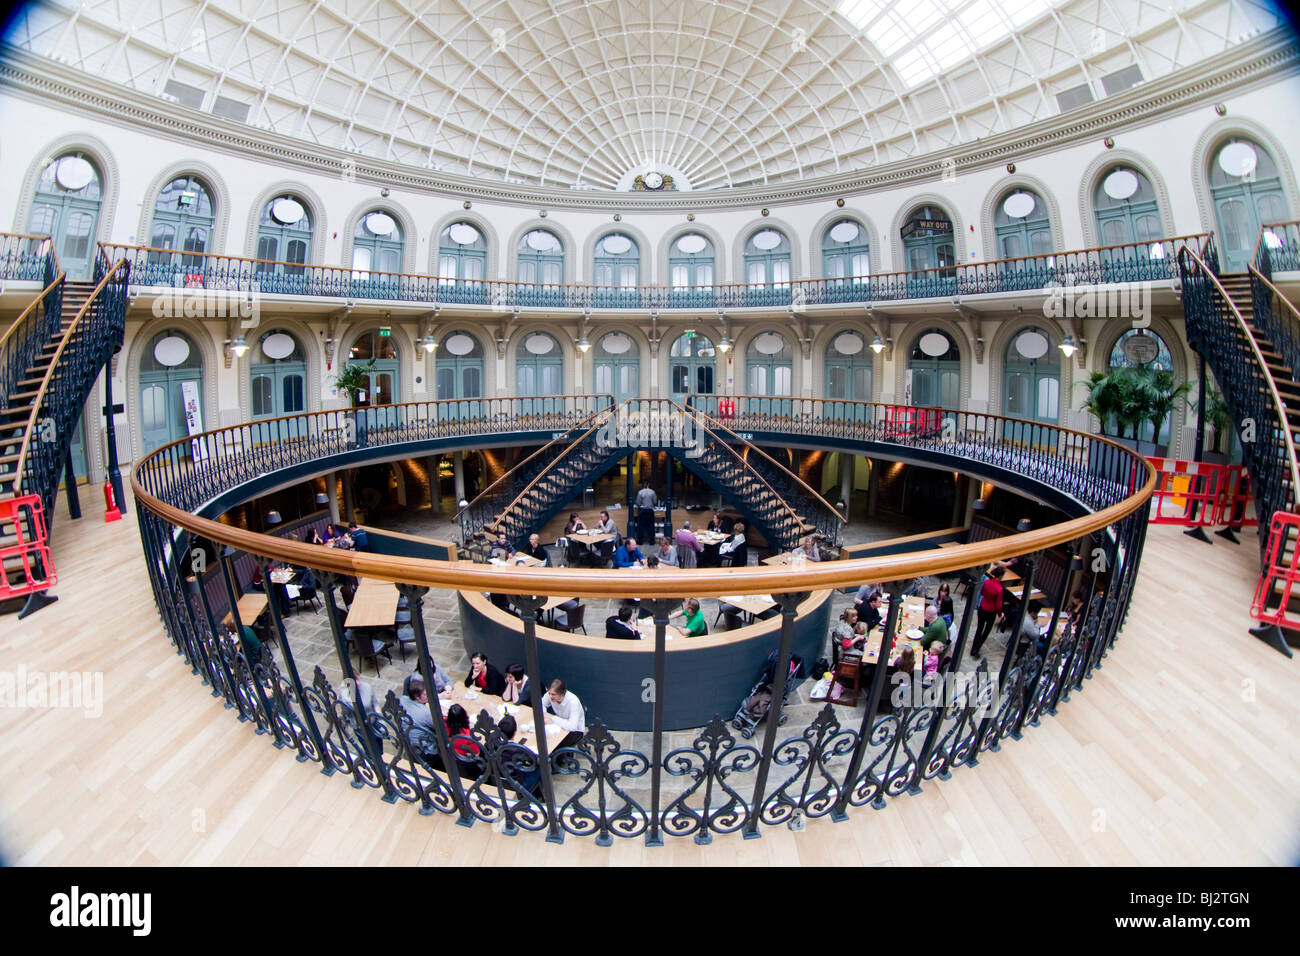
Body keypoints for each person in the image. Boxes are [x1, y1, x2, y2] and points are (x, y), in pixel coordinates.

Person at [495, 715, 542, 796]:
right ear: (514, 732)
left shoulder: (490, 742)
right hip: (517, 783)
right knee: (540, 767)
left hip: (496, 778)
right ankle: (538, 794)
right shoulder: (517, 750)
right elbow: (534, 761)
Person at [971, 565, 1006, 657]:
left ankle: (973, 648)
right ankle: (977, 648)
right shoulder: (999, 589)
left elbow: (982, 592)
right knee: (986, 631)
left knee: (979, 628)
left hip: (982, 607)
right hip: (991, 611)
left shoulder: (987, 582)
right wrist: (1000, 614)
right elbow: (998, 605)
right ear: (1001, 576)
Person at [541, 679, 586, 749]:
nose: (550, 696)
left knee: (553, 746)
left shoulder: (573, 702)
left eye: (553, 694)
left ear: (562, 694)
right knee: (543, 738)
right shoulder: (550, 695)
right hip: (560, 725)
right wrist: (544, 715)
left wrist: (553, 719)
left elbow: (572, 727)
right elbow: (542, 704)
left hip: (575, 731)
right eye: (549, 693)